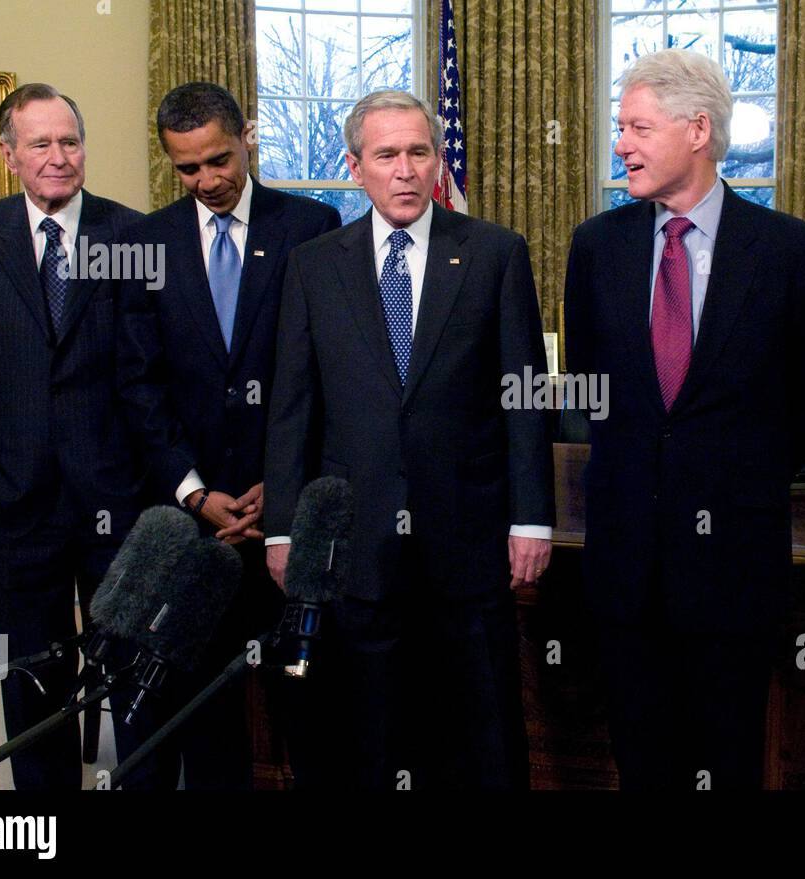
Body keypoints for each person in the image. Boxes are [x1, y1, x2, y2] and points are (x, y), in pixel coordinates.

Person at [562, 49, 805, 790]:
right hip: (626, 567)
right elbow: (593, 389)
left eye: (636, 127)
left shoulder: (791, 250)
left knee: (729, 759)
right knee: (642, 759)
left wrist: (733, 475)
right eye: (619, 127)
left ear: (697, 130)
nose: (619, 143)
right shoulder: (596, 247)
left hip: (735, 565)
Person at [263, 89, 554, 790]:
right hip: (355, 544)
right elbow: (293, 407)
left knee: (478, 728)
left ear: (436, 161)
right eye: (386, 154)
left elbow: (525, 399)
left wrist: (532, 516)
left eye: (418, 152)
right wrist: (281, 529)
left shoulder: (493, 254)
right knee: (370, 724)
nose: (404, 169)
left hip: (468, 535)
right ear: (355, 165)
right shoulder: (313, 264)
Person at [115, 81, 340, 789]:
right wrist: (193, 491)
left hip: (287, 517)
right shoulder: (144, 243)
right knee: (208, 711)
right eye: (188, 168)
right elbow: (138, 383)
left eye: (219, 159)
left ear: (248, 135)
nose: (208, 180)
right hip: (199, 523)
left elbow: (330, 372)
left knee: (308, 706)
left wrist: (285, 481)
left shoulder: (310, 224)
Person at [0, 83, 144, 789]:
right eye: (40, 144)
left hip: (116, 500)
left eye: (70, 141)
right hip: (13, 506)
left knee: (138, 669)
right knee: (32, 677)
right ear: (9, 153)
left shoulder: (130, 236)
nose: (58, 157)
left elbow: (153, 374)